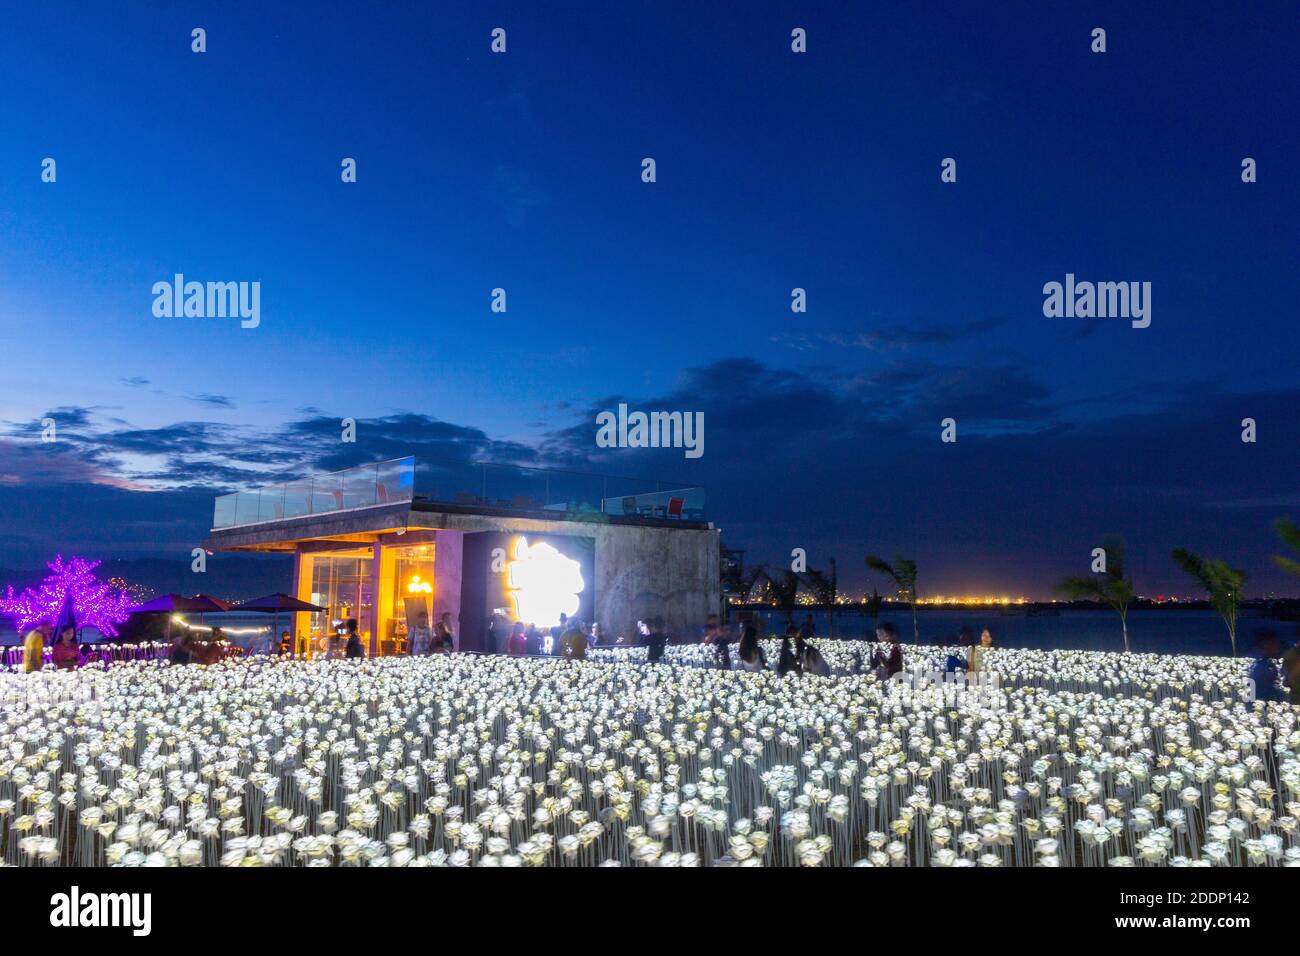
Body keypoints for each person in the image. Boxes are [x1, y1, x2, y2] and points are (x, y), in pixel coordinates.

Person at [1249, 629, 1286, 703]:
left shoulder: (1268, 663)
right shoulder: (1261, 666)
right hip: (1262, 699)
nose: (1277, 647)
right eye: (1273, 644)